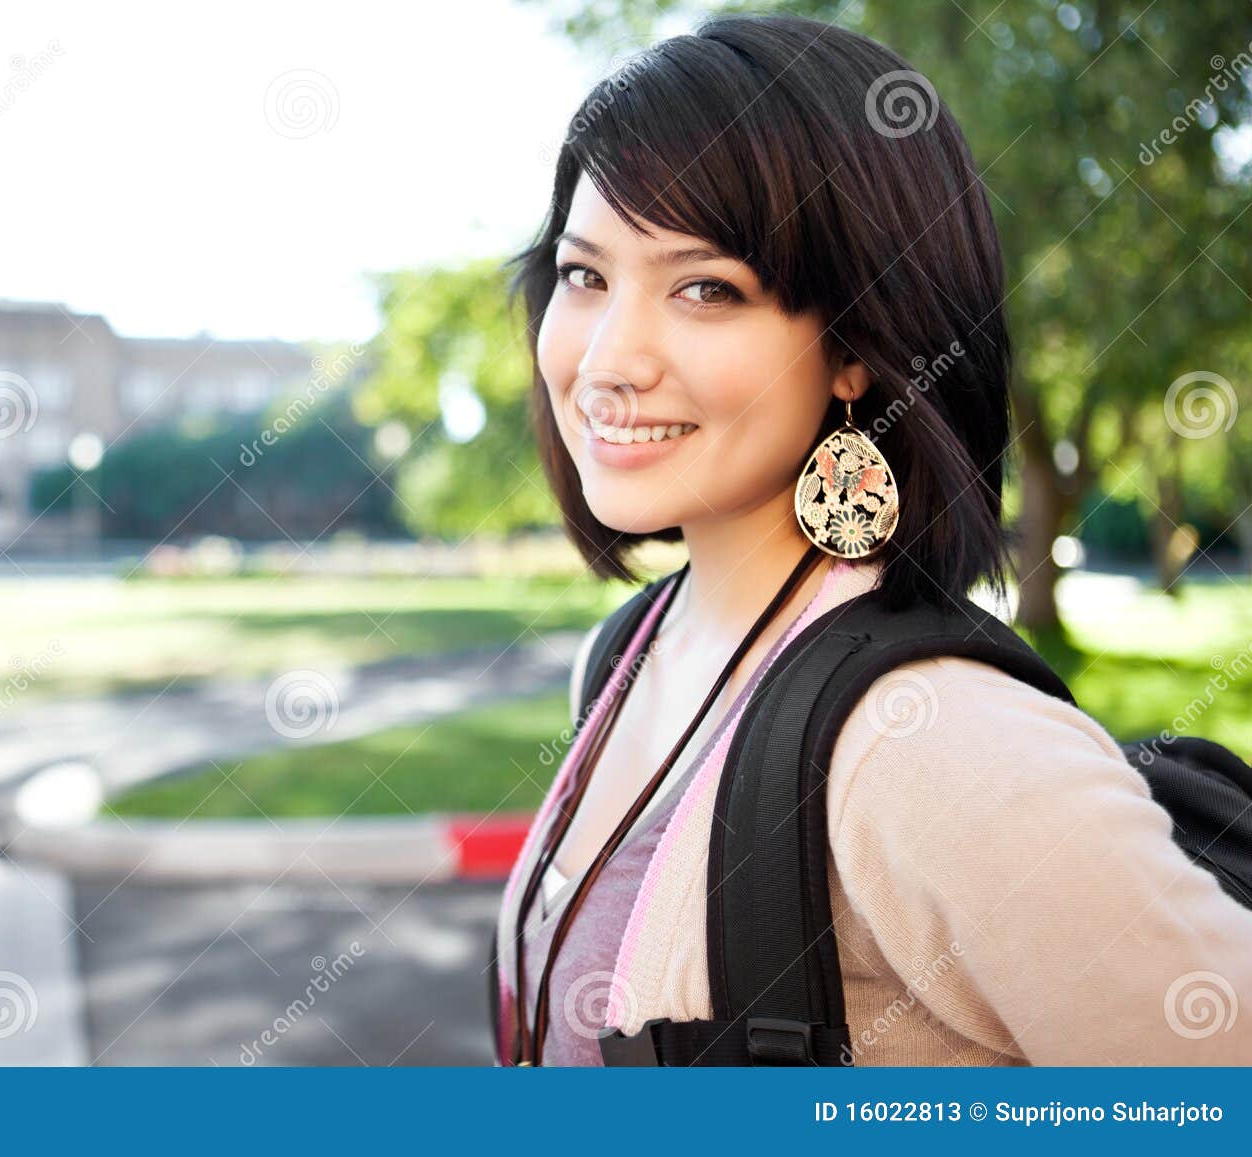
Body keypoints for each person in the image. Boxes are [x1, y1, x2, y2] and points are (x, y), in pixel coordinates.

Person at [490, 11, 1252, 1067]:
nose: (608, 357)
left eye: (705, 288)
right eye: (584, 275)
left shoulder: (938, 746)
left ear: (854, 346)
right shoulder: (626, 653)